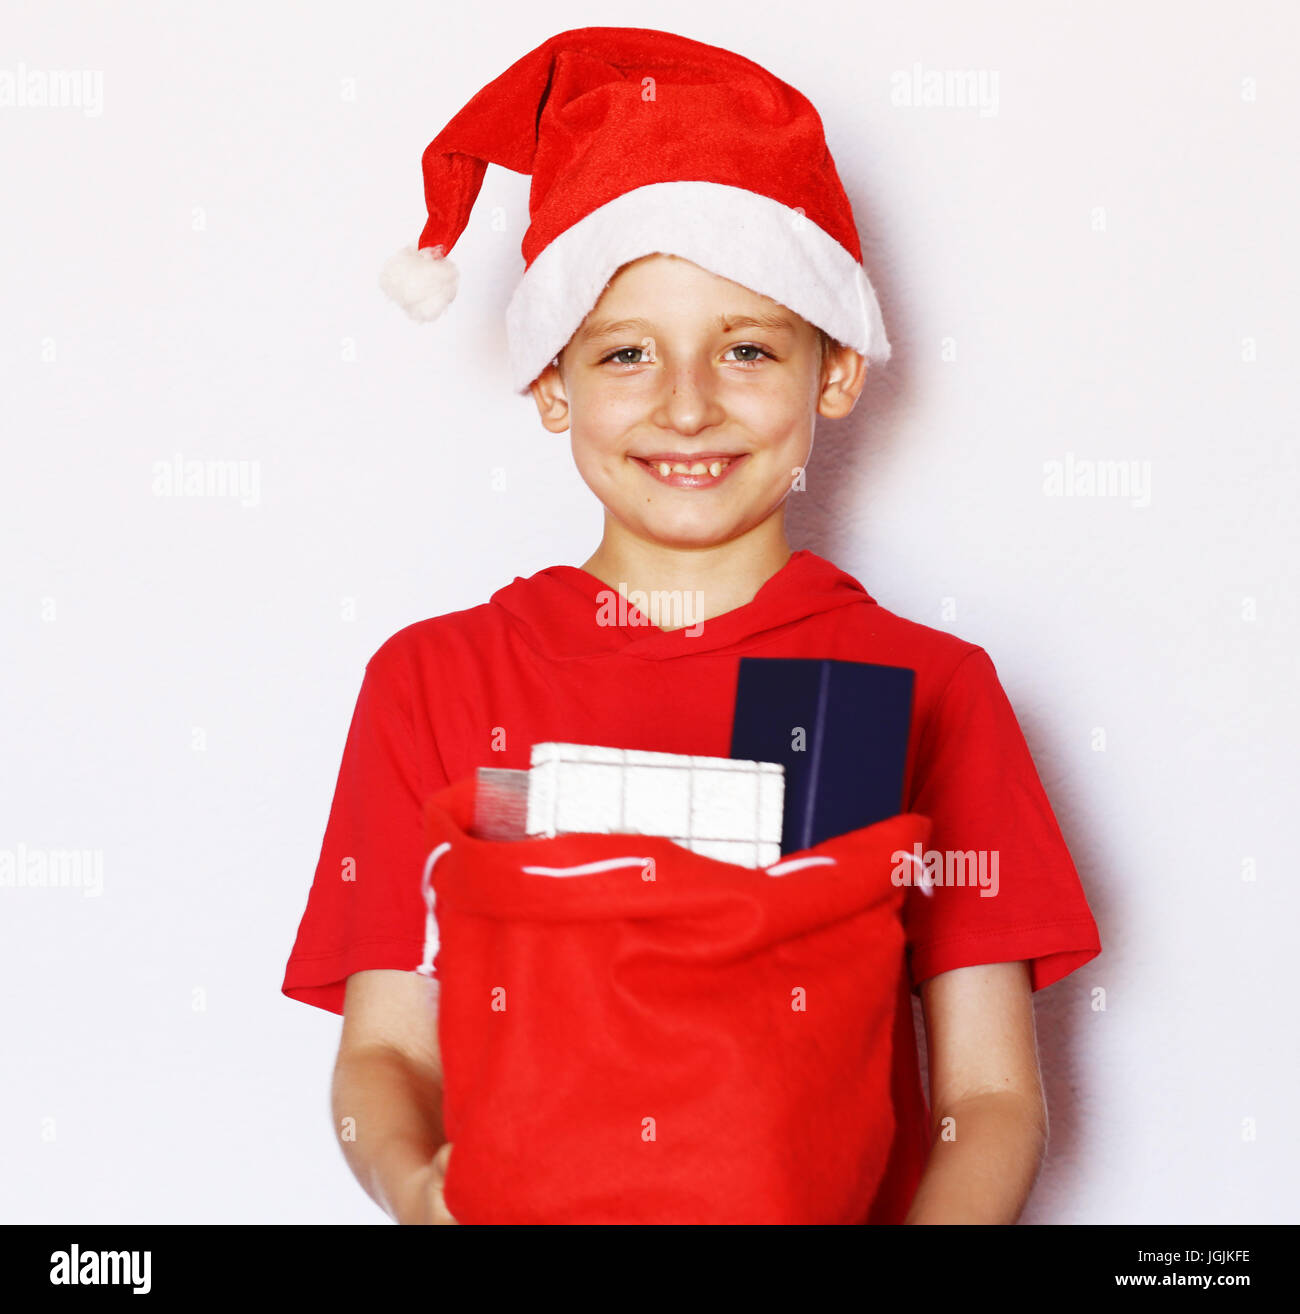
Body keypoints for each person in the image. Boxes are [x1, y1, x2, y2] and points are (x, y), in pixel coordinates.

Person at [281, 26, 1101, 1225]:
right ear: (552, 386)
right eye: (625, 353)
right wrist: (423, 1191)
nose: (685, 404)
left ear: (835, 373)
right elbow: (389, 1054)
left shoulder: (925, 686)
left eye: (748, 348)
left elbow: (986, 1098)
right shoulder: (435, 679)